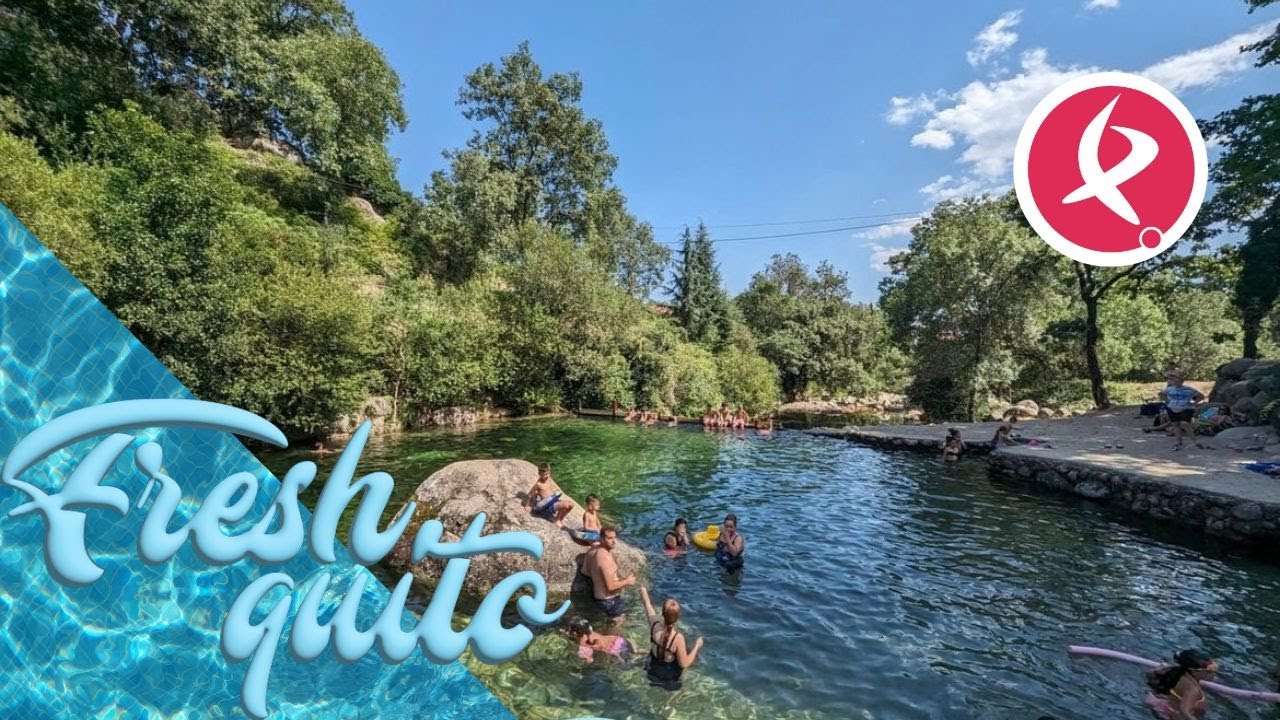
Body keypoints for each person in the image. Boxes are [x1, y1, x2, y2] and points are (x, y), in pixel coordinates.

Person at [639, 587, 703, 691]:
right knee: (690, 659)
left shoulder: (654, 625)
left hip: (652, 671)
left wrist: (643, 591)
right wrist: (697, 646)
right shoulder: (678, 638)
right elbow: (684, 664)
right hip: (669, 677)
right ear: (678, 617)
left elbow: (647, 605)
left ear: (662, 613)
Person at [580, 527, 636, 622]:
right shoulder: (605, 559)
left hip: (598, 598)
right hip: (609, 602)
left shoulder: (593, 550)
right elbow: (610, 587)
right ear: (601, 539)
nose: (614, 541)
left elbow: (585, 571)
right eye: (609, 538)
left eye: (615, 538)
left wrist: (597, 579)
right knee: (618, 626)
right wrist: (627, 581)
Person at [1144, 649, 1217, 719]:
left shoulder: (1175, 671)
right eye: (1210, 671)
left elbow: (1150, 674)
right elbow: (1184, 711)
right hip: (1172, 716)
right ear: (1194, 671)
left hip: (1156, 702)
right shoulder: (1193, 689)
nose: (1213, 674)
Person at [1159, 372, 1206, 451]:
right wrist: (1166, 401)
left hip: (1185, 408)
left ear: (1182, 381)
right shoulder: (1170, 389)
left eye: (1178, 381)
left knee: (1185, 423)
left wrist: (1194, 403)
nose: (1176, 382)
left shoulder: (1188, 389)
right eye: (1175, 381)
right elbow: (1161, 394)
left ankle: (1195, 441)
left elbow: (1201, 396)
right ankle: (1178, 442)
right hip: (1172, 407)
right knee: (1175, 424)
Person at [524, 462, 574, 528]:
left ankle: (560, 519)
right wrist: (527, 506)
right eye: (544, 474)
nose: (547, 476)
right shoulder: (538, 484)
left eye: (548, 473)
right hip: (547, 506)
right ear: (539, 474)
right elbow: (530, 494)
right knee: (566, 505)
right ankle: (556, 520)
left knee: (571, 504)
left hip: (553, 500)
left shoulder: (548, 479)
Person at [565, 615, 632, 663]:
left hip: (613, 650)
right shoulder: (590, 631)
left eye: (568, 630)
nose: (567, 632)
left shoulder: (582, 647)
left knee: (624, 662)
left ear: (574, 634)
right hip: (617, 640)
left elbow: (590, 660)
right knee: (633, 654)